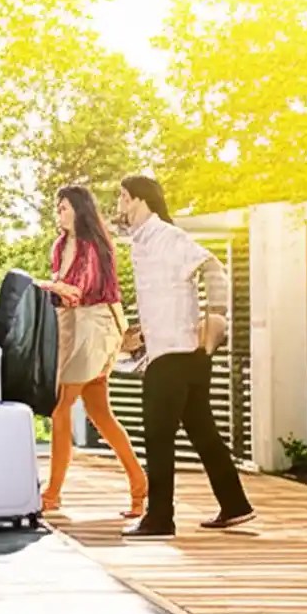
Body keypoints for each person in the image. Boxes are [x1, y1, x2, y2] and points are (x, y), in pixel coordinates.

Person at [116, 175, 256, 540]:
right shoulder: (143, 242)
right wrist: (144, 333)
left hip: (176, 357)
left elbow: (215, 271)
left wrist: (214, 328)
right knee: (203, 431)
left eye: (123, 198)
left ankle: (160, 519)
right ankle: (235, 505)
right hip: (175, 353)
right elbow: (167, 298)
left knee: (158, 438)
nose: (120, 206)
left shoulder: (167, 237)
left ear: (139, 200)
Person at [37, 185, 147, 519]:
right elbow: (63, 292)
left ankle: (52, 494)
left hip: (95, 329)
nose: (60, 211)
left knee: (61, 406)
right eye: (58, 207)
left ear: (81, 210)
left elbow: (78, 292)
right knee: (100, 414)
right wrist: (52, 285)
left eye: (66, 206)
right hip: (72, 330)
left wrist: (43, 284)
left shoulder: (93, 247)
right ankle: (140, 486)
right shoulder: (61, 245)